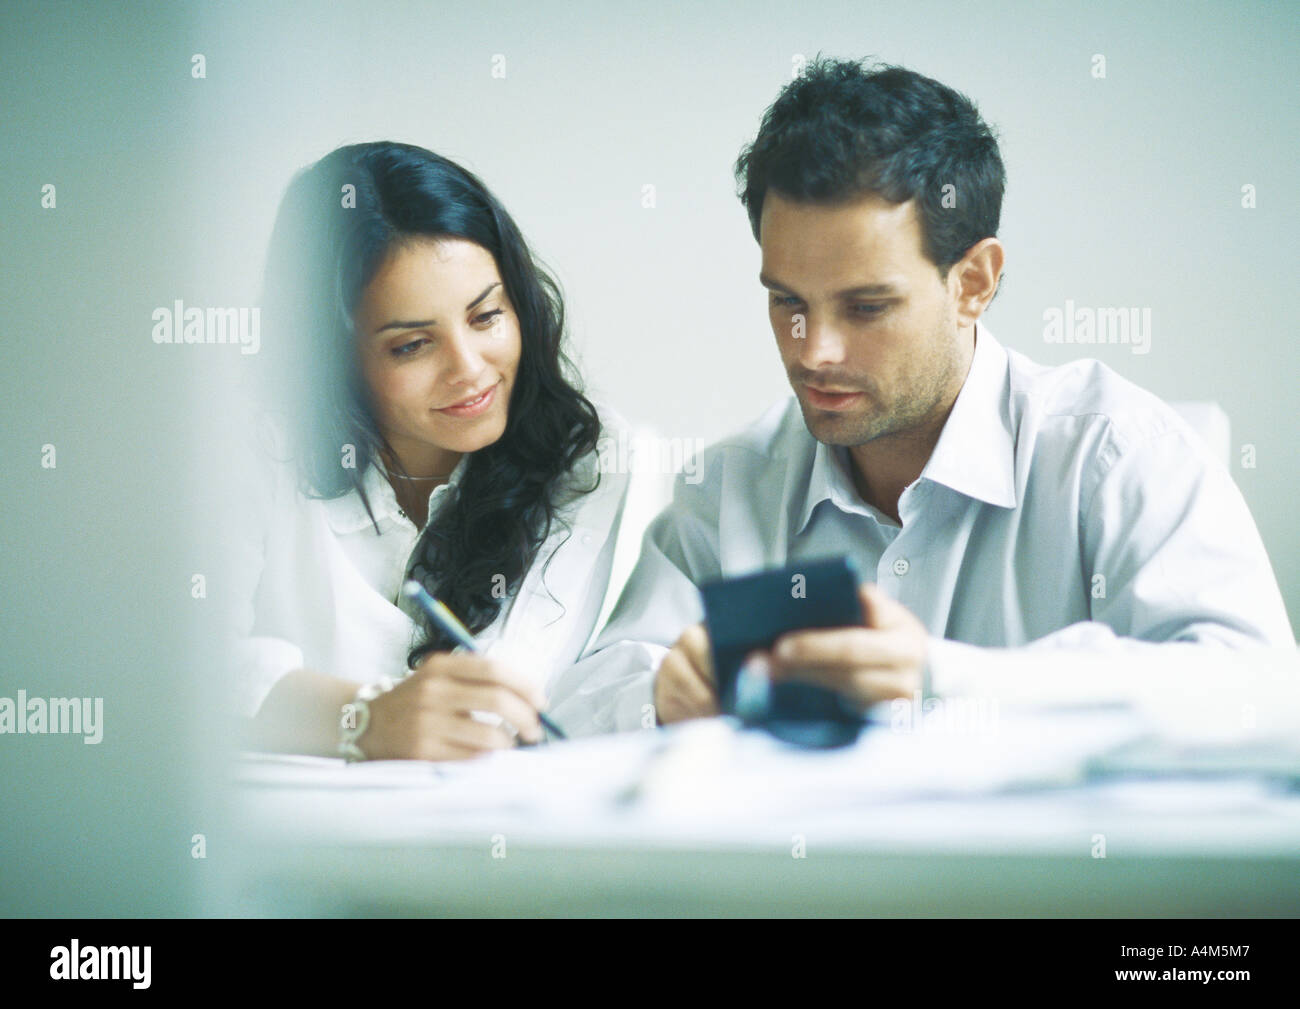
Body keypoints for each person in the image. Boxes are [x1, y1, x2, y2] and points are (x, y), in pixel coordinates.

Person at [546, 58, 1295, 735]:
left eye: (867, 306)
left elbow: (1257, 690)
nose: (814, 351)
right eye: (788, 302)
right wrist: (661, 699)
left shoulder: (1118, 454)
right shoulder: (729, 491)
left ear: (973, 282)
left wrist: (943, 681)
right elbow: (583, 701)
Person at [232, 141, 628, 760]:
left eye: (486, 316)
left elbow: (613, 691)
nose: (469, 370)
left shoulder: (598, 471)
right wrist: (363, 719)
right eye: (412, 345)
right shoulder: (252, 450)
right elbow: (175, 669)